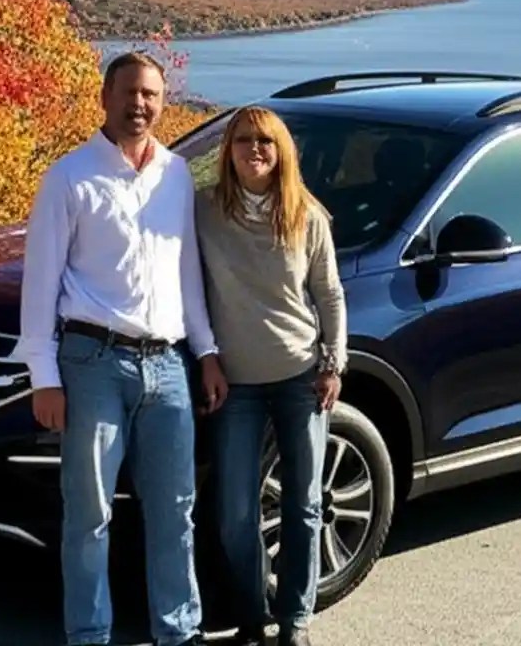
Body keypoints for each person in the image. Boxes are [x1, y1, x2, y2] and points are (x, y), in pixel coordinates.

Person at [11, 51, 228, 646]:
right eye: (129, 92)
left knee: (174, 510)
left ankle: (178, 632)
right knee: (89, 514)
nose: (140, 104)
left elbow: (188, 271)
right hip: (92, 364)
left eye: (151, 95)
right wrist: (43, 376)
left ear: (163, 102)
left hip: (168, 366)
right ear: (104, 98)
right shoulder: (69, 177)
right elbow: (41, 281)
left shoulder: (176, 175)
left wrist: (205, 351)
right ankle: (88, 634)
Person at [193, 106, 347, 646]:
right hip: (234, 384)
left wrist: (333, 364)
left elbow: (329, 294)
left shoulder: (306, 215)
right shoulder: (204, 211)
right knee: (235, 512)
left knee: (303, 507)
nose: (253, 150)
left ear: (282, 151)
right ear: (227, 151)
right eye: (242, 141)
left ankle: (294, 621)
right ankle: (252, 617)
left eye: (265, 141)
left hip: (299, 378)